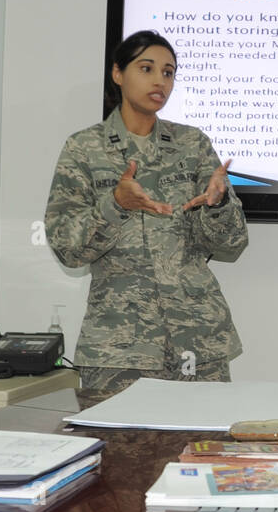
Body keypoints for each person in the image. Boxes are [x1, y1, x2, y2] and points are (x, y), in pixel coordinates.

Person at [45, 30, 248, 397]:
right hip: (119, 348)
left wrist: (218, 205)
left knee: (202, 452)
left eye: (169, 72)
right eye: (147, 68)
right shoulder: (84, 148)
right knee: (120, 454)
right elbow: (67, 248)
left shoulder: (193, 144)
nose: (160, 80)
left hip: (198, 341)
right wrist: (115, 205)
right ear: (118, 74)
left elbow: (232, 244)